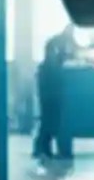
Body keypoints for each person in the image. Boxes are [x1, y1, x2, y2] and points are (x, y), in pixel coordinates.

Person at [33, 24, 77, 161]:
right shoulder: (60, 43)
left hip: (47, 85)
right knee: (50, 117)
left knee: (48, 118)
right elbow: (67, 56)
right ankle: (41, 148)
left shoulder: (58, 41)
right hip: (50, 87)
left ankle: (42, 148)